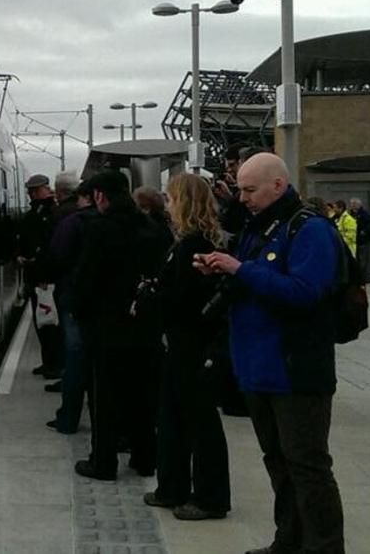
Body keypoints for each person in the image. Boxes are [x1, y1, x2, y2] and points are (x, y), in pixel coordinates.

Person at [194, 152, 345, 554]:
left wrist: (240, 269)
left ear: (278, 185)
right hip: (259, 368)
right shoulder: (259, 228)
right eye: (240, 189)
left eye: (249, 189)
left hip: (296, 371)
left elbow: (305, 292)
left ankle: (324, 547)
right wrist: (223, 269)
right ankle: (288, 540)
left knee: (308, 466)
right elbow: (256, 282)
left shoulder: (309, 230)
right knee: (277, 462)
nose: (241, 197)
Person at [138, 173, 230, 521]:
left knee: (199, 420)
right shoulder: (191, 240)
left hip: (193, 343)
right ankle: (171, 486)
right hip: (181, 342)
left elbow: (184, 296)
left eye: (172, 198)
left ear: (185, 202)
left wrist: (152, 296)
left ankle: (210, 497)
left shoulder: (196, 244)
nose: (168, 204)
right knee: (174, 416)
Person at [73, 170, 163, 480]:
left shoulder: (99, 229)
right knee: (142, 396)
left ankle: (103, 462)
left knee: (105, 398)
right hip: (145, 327)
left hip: (106, 328)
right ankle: (145, 458)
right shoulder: (152, 227)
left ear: (100, 196)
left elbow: (85, 279)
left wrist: (78, 311)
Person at [45, 182, 95, 433]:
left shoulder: (72, 223)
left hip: (75, 298)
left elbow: (57, 257)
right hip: (111, 306)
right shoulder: (133, 222)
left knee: (76, 356)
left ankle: (68, 418)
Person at [16, 174, 61, 381]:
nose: (31, 194)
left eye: (34, 190)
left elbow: (44, 246)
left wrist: (40, 271)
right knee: (42, 320)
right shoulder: (43, 211)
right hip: (37, 275)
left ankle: (53, 363)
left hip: (43, 278)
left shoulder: (48, 213)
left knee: (47, 321)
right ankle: (49, 361)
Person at [348, 198, 370, 283]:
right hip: (354, 240)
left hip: (363, 241)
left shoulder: (364, 214)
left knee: (363, 260)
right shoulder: (350, 214)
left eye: (354, 204)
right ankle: (356, 277)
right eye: (351, 204)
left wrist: (365, 231)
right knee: (356, 259)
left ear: (359, 205)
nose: (352, 206)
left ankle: (363, 278)